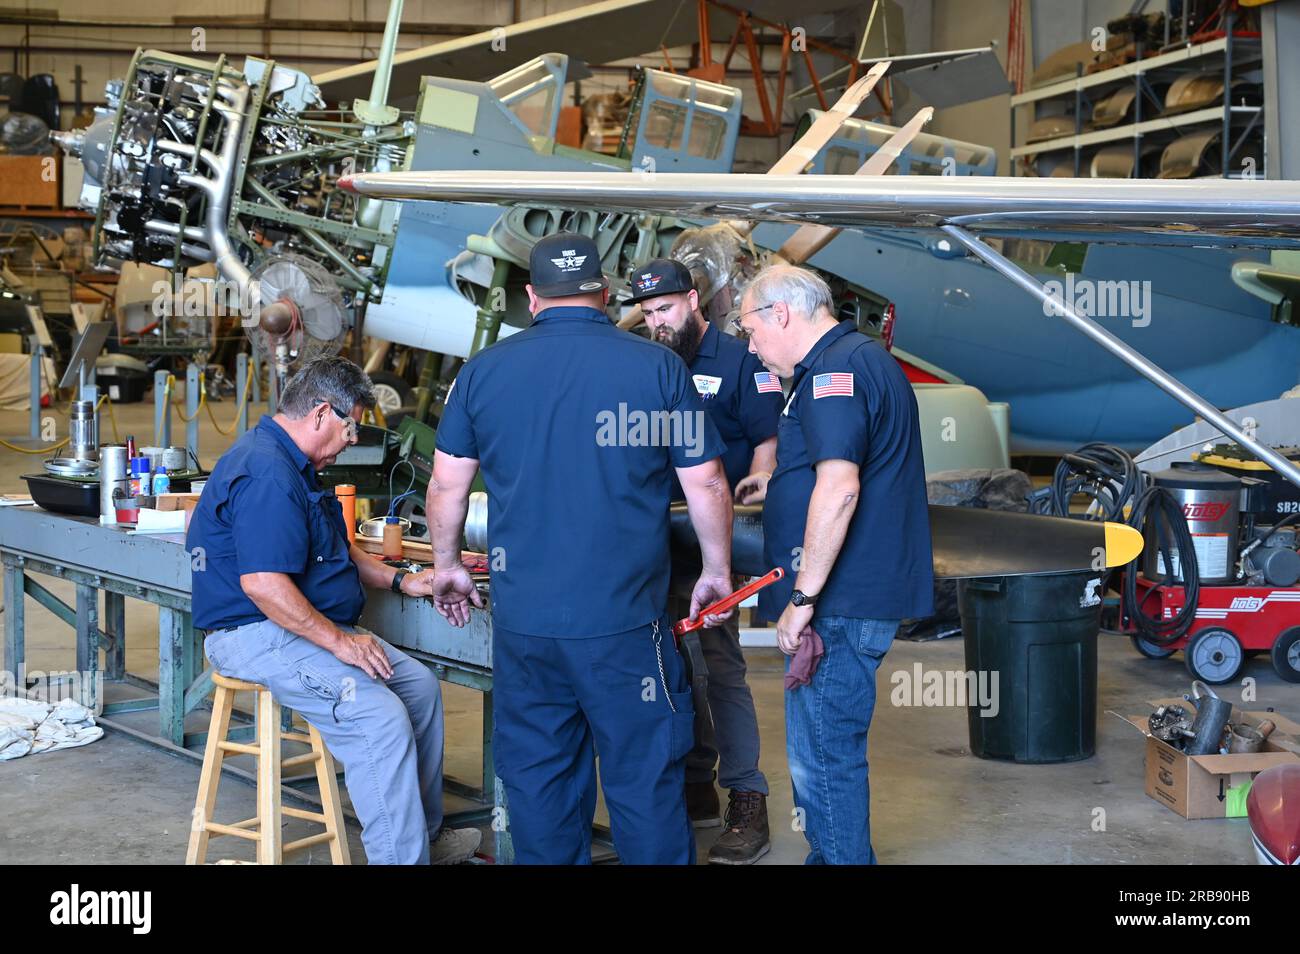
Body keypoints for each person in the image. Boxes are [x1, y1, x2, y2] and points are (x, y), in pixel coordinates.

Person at [425, 232, 736, 865]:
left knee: (540, 780)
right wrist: (716, 569)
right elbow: (705, 480)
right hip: (625, 622)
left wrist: (447, 566)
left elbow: (445, 485)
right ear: (602, 292)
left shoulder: (483, 371)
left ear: (532, 298)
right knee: (644, 776)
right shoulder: (657, 367)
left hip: (526, 625)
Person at [187, 355, 481, 865]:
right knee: (380, 719)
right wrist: (342, 642)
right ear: (323, 413)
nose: (352, 440)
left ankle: (425, 842)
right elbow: (262, 586)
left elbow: (338, 550)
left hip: (295, 625)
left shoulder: (296, 466)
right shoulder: (267, 472)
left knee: (418, 688)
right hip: (254, 633)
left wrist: (403, 579)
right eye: (352, 428)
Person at [734, 264, 934, 865]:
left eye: (749, 329)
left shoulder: (835, 372)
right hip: (850, 595)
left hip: (840, 602)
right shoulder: (854, 358)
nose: (750, 345)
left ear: (782, 314)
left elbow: (841, 488)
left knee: (824, 754)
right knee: (821, 750)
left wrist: (801, 598)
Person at [627, 257, 782, 864]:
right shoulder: (644, 365)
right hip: (649, 542)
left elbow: (768, 438)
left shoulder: (740, 363)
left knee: (719, 668)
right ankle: (692, 784)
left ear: (692, 301)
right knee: (661, 665)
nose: (656, 322)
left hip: (712, 542)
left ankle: (747, 796)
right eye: (646, 313)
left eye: (664, 309)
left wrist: (763, 476)